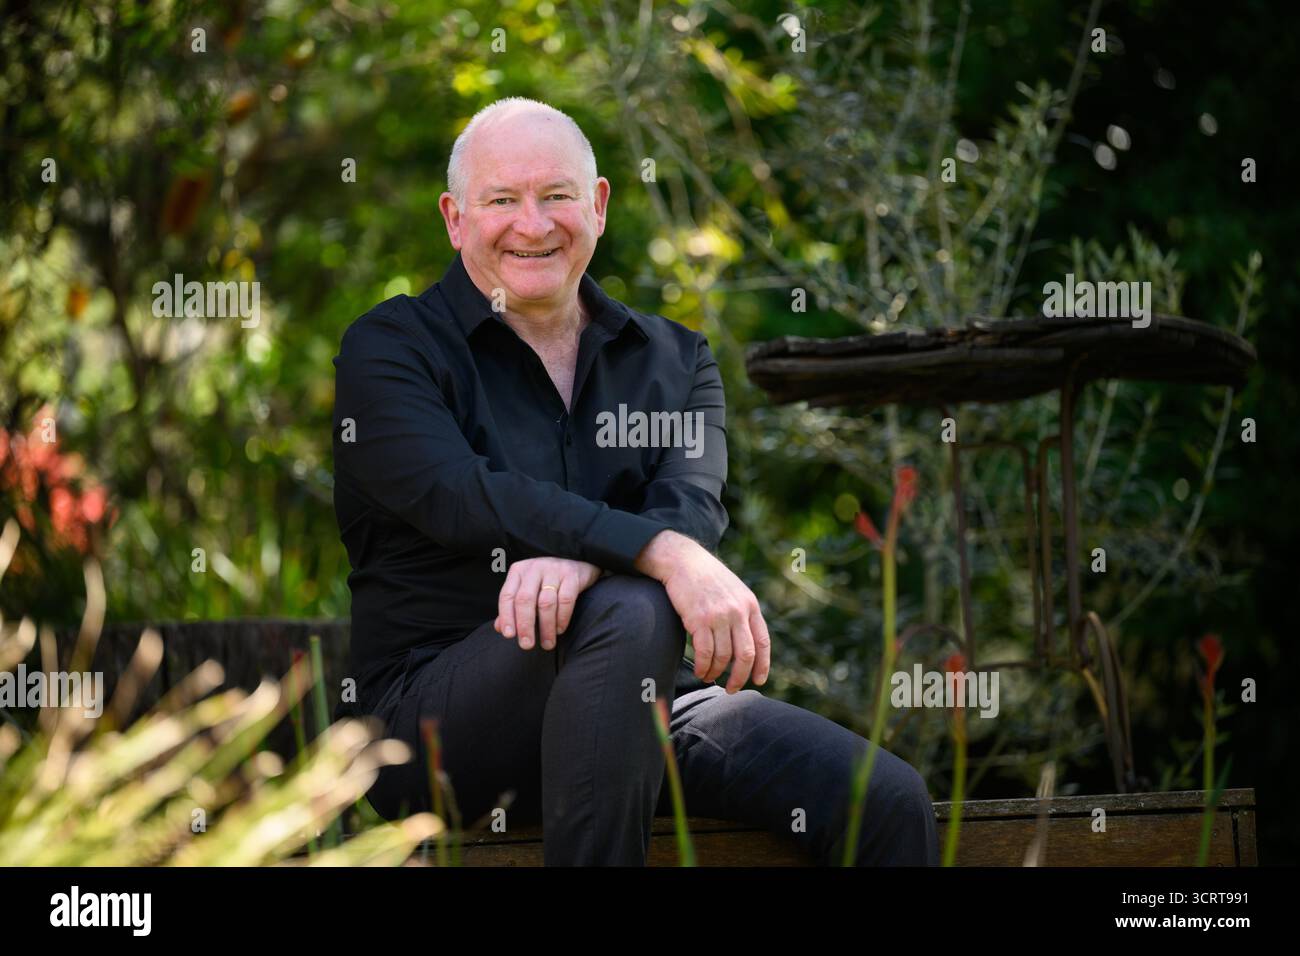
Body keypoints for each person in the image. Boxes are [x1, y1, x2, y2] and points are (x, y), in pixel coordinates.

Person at [331, 96, 938, 866]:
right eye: (501, 200)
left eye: (556, 195)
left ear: (599, 205)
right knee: (629, 602)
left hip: (643, 701)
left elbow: (687, 510)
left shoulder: (675, 361)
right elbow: (461, 496)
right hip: (433, 727)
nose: (533, 223)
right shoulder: (391, 349)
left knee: (885, 801)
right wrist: (655, 556)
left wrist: (609, 555)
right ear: (455, 218)